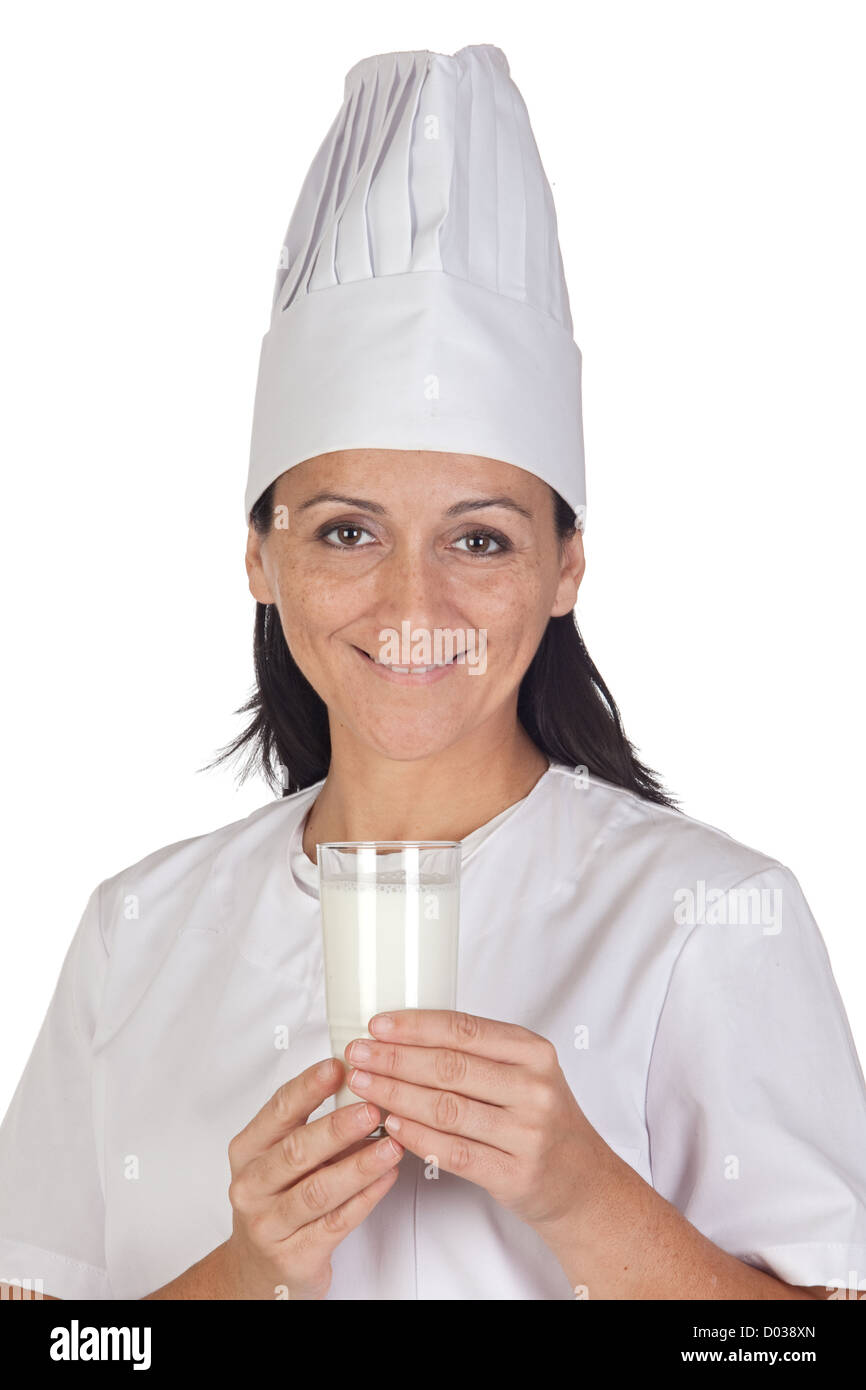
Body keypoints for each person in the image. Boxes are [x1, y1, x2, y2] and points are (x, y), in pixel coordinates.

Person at [2, 44, 865, 1302]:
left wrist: (579, 1190)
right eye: (347, 530)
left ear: (566, 566)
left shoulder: (709, 919)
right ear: (260, 554)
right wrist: (248, 1269)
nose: (414, 605)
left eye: (480, 537)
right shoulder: (136, 936)